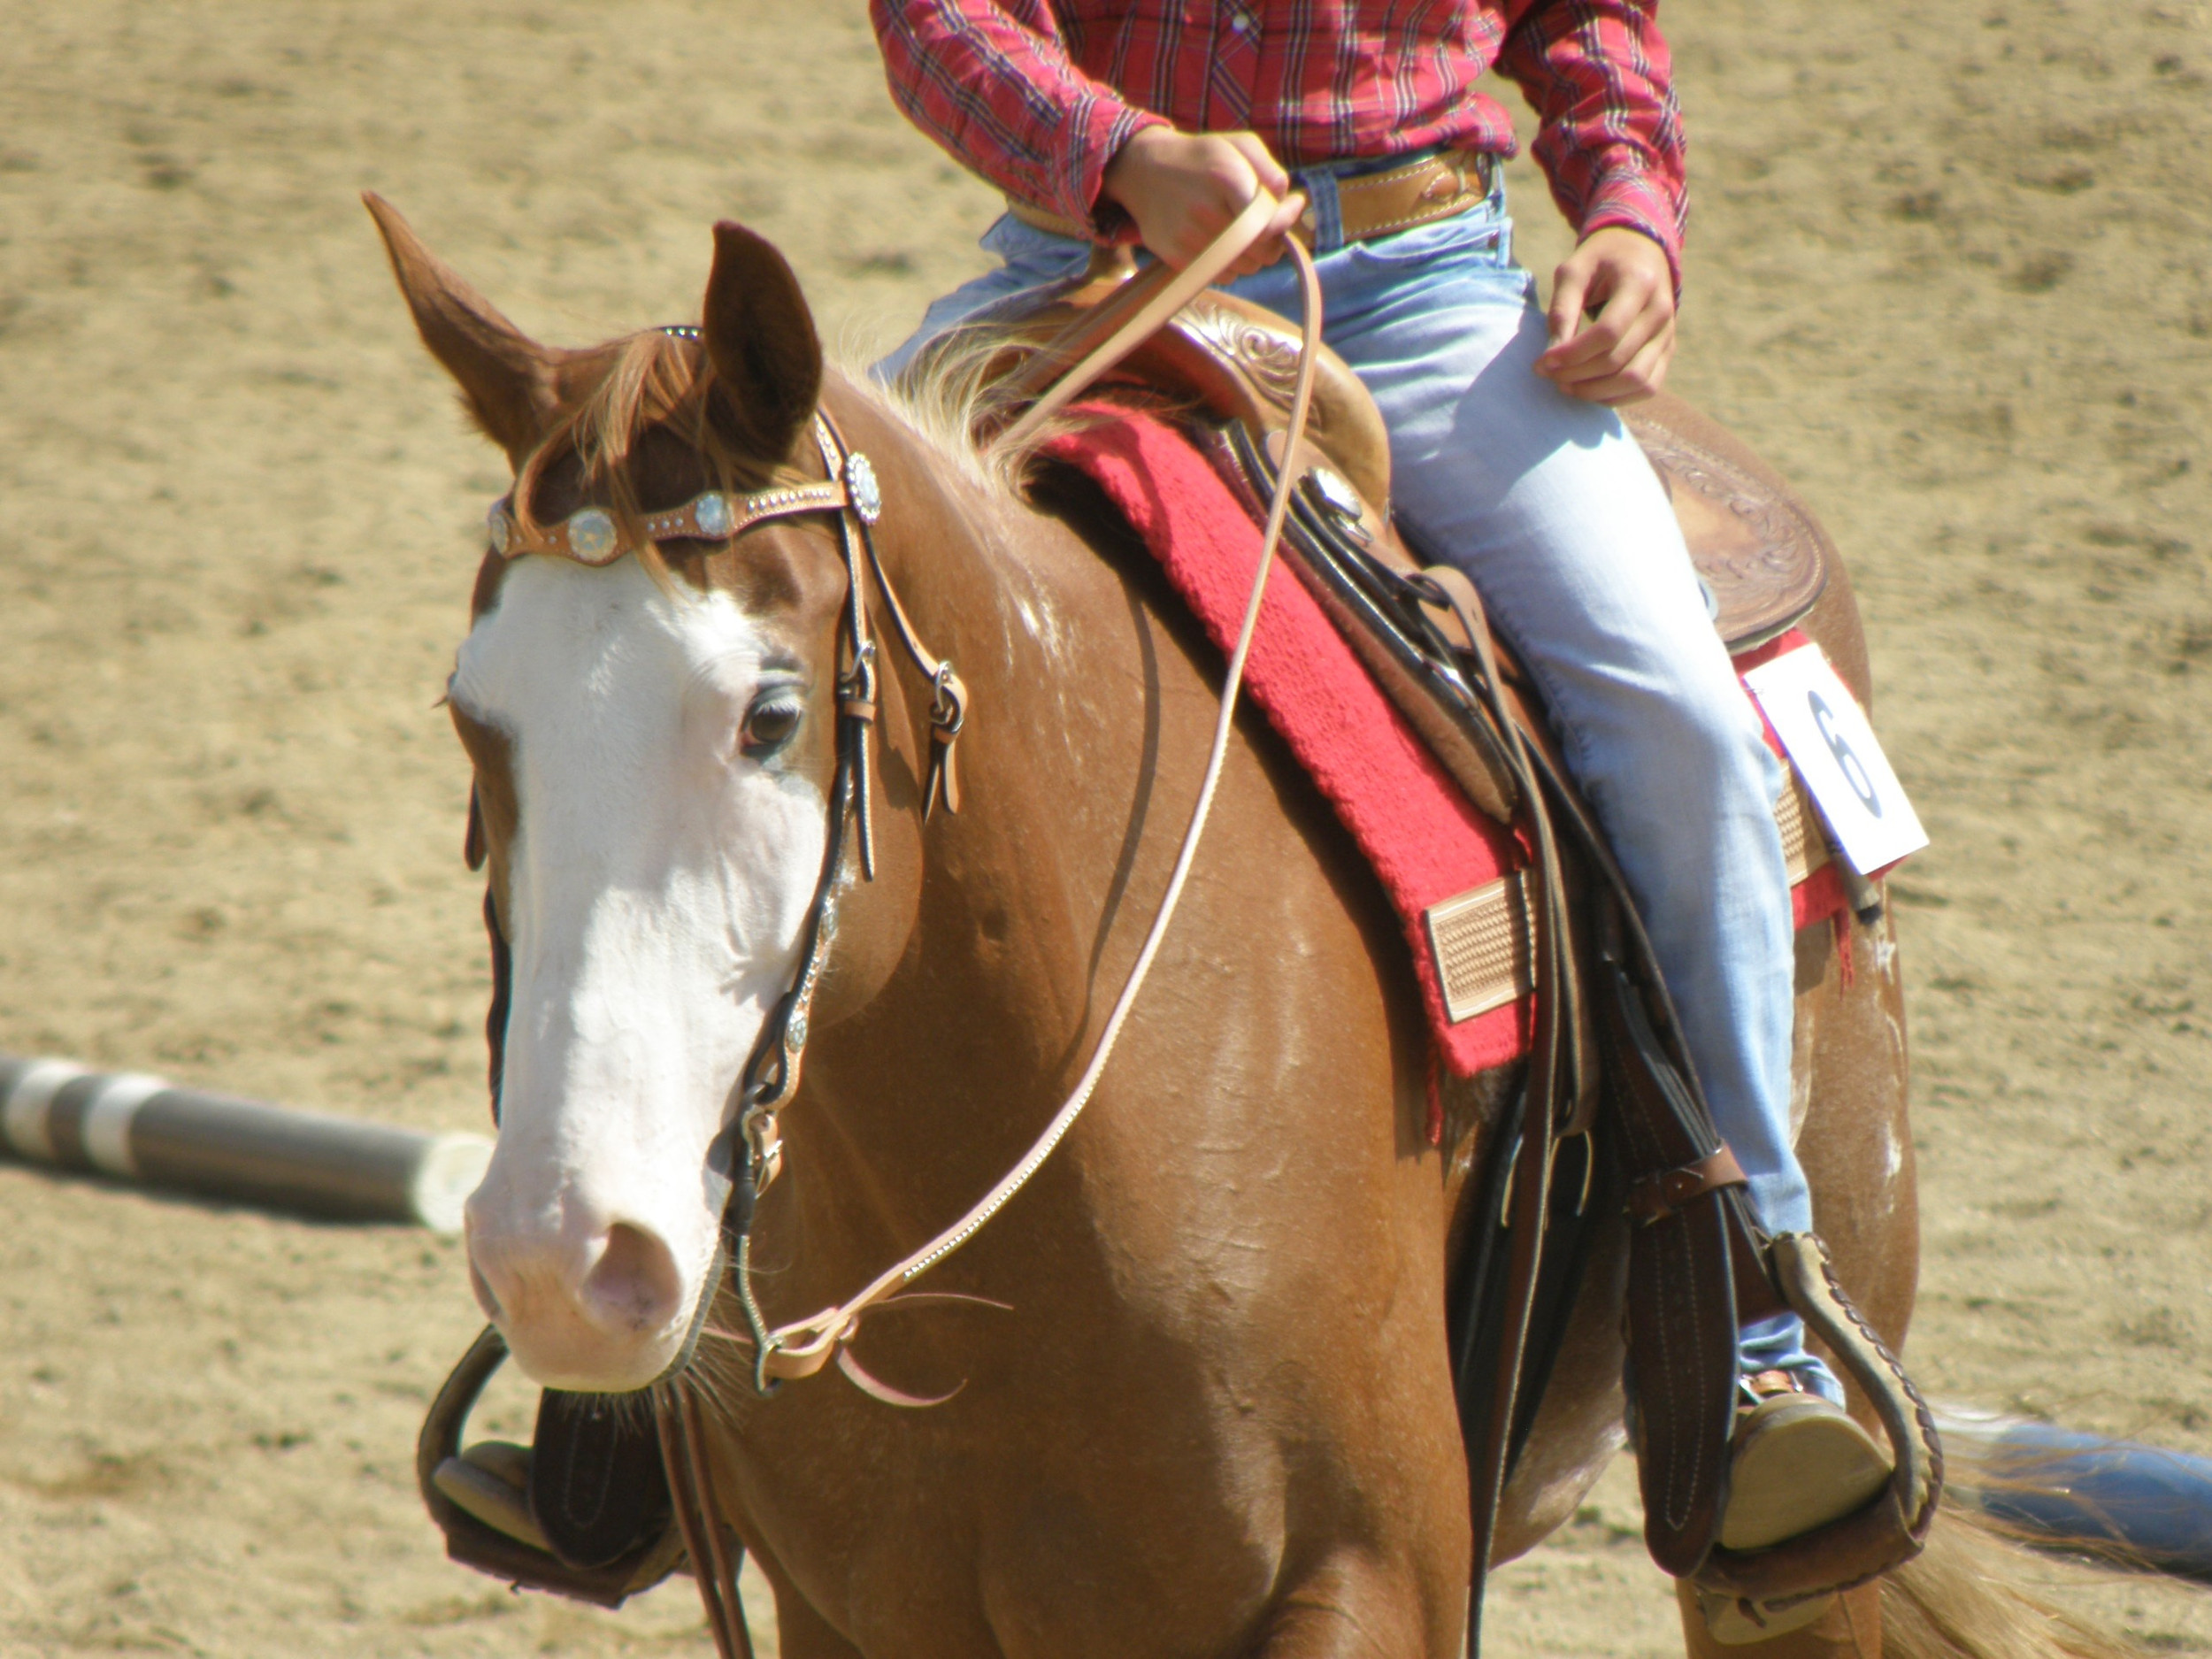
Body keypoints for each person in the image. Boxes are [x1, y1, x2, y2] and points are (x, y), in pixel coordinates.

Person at [865, 0, 1890, 1610]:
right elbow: (940, 19)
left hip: (1422, 297)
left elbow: (1587, 20)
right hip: (1090, 285)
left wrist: (1633, 211)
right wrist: (1118, 150)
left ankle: (1754, 1310)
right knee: (731, 612)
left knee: (1678, 721)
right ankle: (641, 1355)